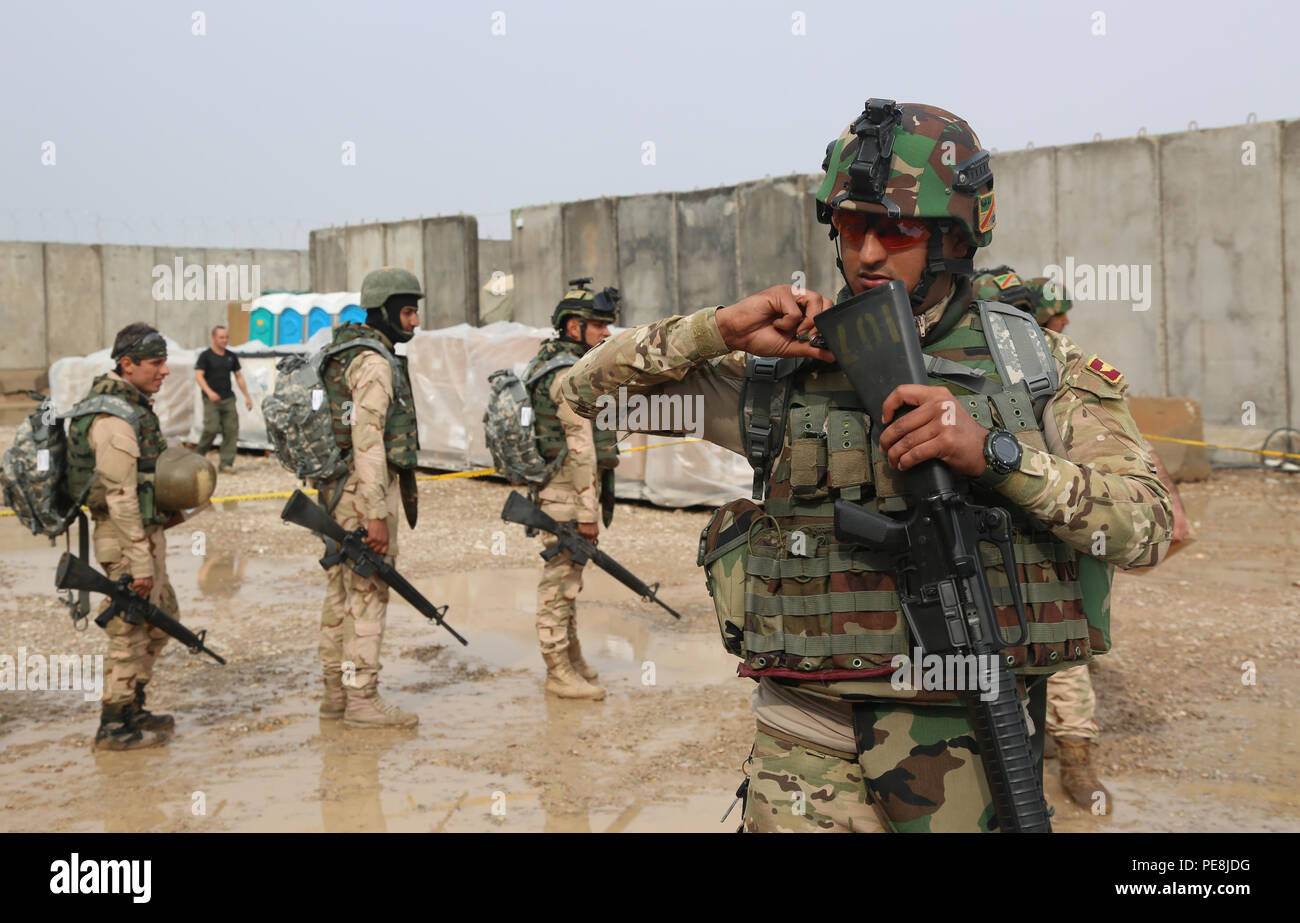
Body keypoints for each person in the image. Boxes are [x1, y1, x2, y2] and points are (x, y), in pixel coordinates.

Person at [561, 100, 1173, 832]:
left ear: (955, 235)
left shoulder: (1035, 367)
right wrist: (715, 328)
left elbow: (1148, 526)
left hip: (969, 748)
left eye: (898, 229)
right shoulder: (782, 367)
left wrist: (996, 454)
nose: (869, 253)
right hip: (806, 750)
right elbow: (584, 396)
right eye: (853, 227)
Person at [973, 269, 1193, 812]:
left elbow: (1131, 491)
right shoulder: (988, 372)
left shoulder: (1055, 371)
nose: (1061, 323)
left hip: (1064, 546)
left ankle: (1076, 760)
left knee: (1066, 660)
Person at [64, 323, 180, 750]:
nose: (165, 371)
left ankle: (132, 703)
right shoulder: (112, 417)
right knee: (130, 631)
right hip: (124, 537)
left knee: (163, 615)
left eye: (166, 361)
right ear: (126, 364)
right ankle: (114, 726)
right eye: (155, 363)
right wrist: (140, 563)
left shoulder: (132, 406)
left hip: (141, 534)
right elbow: (120, 496)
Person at [316, 268, 423, 729]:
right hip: (363, 491)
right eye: (407, 310)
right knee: (367, 590)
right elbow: (368, 441)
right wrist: (376, 514)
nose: (415, 321)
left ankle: (336, 694)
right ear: (384, 311)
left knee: (339, 592)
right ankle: (362, 696)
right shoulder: (375, 362)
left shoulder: (342, 352)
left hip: (338, 488)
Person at [526, 279, 620, 700]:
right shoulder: (566, 374)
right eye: (597, 324)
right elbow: (580, 448)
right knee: (558, 583)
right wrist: (588, 512)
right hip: (566, 493)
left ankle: (572, 658)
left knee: (570, 580)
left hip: (563, 490)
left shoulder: (564, 364)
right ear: (572, 327)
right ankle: (556, 670)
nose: (606, 332)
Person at [194, 325, 252, 473]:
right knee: (211, 428)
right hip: (211, 399)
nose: (225, 340)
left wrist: (247, 396)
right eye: (221, 337)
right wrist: (209, 392)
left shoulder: (231, 356)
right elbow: (199, 376)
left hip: (228, 399)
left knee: (231, 430)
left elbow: (239, 376)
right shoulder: (205, 356)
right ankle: (196, 459)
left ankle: (226, 463)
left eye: (226, 337)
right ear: (214, 338)